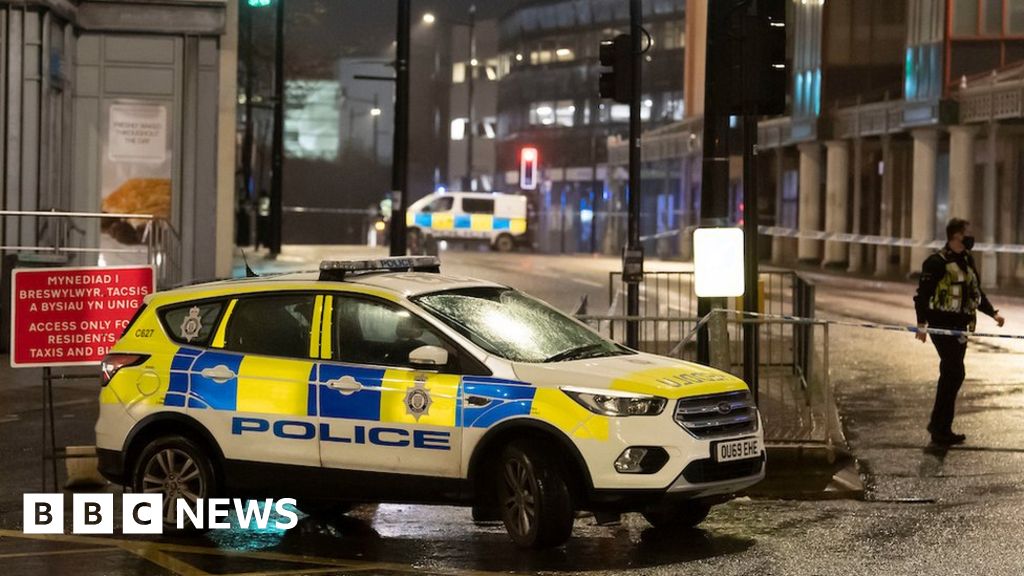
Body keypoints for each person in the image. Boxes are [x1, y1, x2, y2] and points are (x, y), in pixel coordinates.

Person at [914, 218, 1005, 446]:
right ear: (956, 235)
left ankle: (941, 427)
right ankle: (939, 428)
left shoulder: (966, 260)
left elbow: (976, 292)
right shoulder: (936, 262)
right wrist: (922, 324)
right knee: (954, 372)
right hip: (942, 326)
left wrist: (993, 313)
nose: (970, 237)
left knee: (952, 374)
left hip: (961, 326)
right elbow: (921, 296)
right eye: (967, 233)